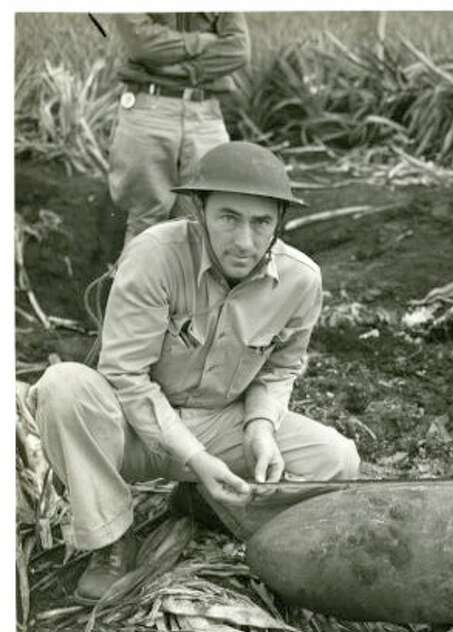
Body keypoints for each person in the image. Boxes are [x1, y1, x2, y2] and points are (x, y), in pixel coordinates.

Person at [31, 142, 361, 603]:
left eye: (261, 222)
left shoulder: (301, 280)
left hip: (218, 425)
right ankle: (110, 539)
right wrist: (196, 459)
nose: (244, 241)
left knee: (337, 460)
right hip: (132, 428)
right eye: (229, 217)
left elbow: (281, 368)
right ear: (199, 210)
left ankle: (205, 503)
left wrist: (260, 430)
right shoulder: (155, 256)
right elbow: (126, 376)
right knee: (63, 388)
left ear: (279, 223)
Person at [108, 13, 250, 244]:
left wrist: (181, 70)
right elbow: (142, 45)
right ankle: (140, 280)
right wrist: (204, 42)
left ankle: (188, 280)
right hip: (149, 108)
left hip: (205, 113)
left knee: (201, 219)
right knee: (145, 220)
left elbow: (238, 48)